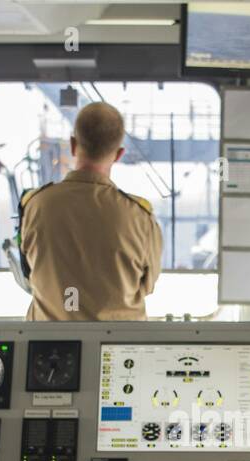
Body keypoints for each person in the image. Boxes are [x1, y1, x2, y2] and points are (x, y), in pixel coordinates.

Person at [19, 101, 163, 321]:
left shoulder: (35, 205)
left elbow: (28, 272)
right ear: (119, 154)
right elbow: (148, 285)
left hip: (47, 346)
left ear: (74, 145)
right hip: (119, 346)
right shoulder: (139, 216)